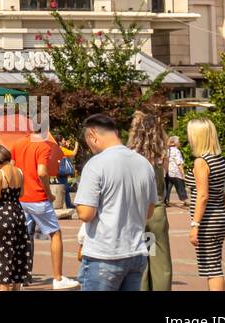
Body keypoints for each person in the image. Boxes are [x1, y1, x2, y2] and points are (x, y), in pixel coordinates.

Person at [74, 113, 158, 292]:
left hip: (104, 253)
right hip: (136, 252)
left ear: (92, 135)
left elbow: (86, 214)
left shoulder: (96, 164)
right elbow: (149, 212)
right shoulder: (144, 163)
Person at [11, 126, 79, 289]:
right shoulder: (43, 146)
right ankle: (58, 278)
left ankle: (20, 276)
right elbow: (42, 172)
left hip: (21, 197)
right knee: (55, 234)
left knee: (23, 236)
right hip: (38, 197)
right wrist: (48, 193)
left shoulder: (17, 144)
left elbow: (12, 168)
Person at [127, 111, 173, 291]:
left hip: (136, 212)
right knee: (160, 261)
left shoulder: (130, 156)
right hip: (157, 211)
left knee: (141, 259)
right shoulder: (161, 155)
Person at [186, 118, 225, 291]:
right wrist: (218, 210)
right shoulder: (219, 159)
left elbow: (202, 195)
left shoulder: (201, 162)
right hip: (219, 217)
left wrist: (195, 225)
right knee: (214, 266)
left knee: (212, 269)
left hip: (207, 221)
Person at [0, 144, 31, 291]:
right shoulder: (19, 171)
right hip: (17, 213)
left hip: (3, 215)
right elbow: (21, 194)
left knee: (2, 252)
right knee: (17, 251)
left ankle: (4, 287)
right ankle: (16, 286)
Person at [164, 135, 188, 206]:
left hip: (168, 172)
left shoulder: (167, 151)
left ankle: (166, 200)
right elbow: (179, 163)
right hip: (176, 172)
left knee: (167, 187)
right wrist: (183, 173)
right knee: (180, 186)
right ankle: (183, 200)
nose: (180, 143)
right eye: (179, 142)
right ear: (174, 143)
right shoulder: (177, 151)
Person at [56, 138, 77, 210]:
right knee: (65, 188)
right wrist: (76, 145)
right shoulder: (62, 149)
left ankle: (68, 204)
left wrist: (67, 147)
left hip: (59, 171)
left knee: (65, 187)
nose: (65, 141)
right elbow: (73, 153)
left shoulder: (58, 149)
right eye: (63, 140)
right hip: (62, 172)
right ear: (59, 142)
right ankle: (67, 205)